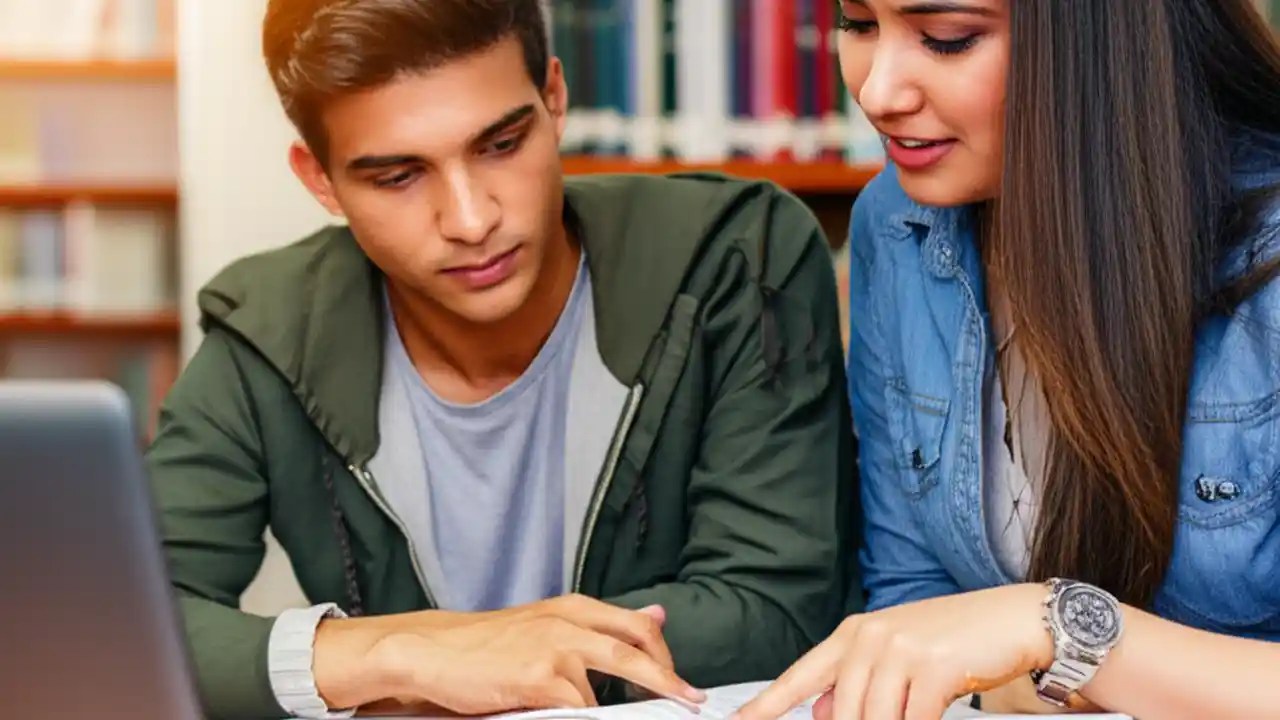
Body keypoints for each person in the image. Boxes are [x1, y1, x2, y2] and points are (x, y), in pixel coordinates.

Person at [146, 1, 857, 718]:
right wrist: (402, 655)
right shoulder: (266, 332)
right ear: (320, 180)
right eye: (398, 176)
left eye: (502, 144)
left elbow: (773, 613)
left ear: (554, 100)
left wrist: (476, 666)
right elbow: (132, 618)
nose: (471, 219)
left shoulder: (734, 260)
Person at [733, 1, 1280, 719]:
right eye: (857, 23)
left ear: (1098, 46)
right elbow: (913, 597)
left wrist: (1056, 630)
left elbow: (1011, 641)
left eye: (946, 40)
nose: (875, 92)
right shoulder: (894, 225)